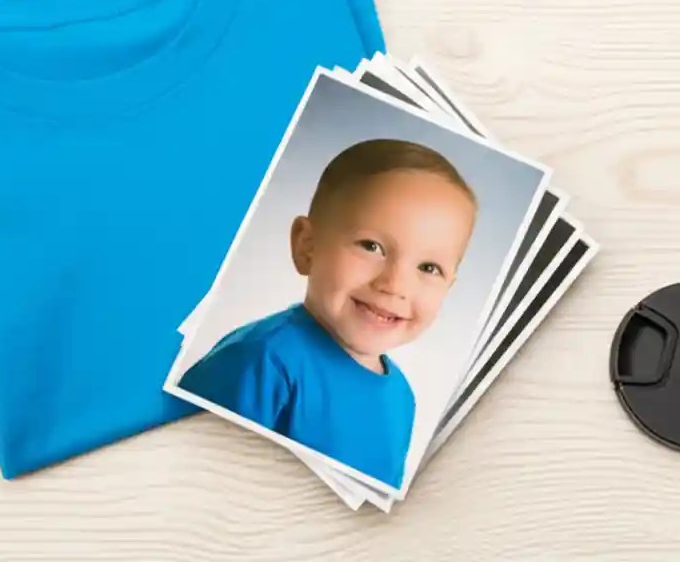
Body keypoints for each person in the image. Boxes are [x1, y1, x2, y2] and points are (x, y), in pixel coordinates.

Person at [178, 138, 479, 489]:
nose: (394, 284)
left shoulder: (401, 397)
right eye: (372, 246)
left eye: (428, 267)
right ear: (307, 246)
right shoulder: (263, 360)